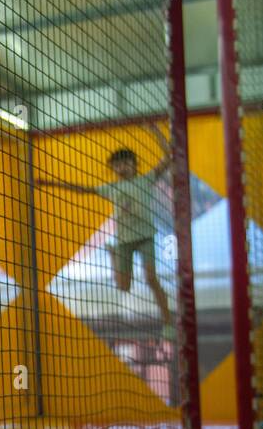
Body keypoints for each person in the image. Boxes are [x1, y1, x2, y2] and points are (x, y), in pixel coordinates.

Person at [44, 127, 174, 335]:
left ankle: (168, 322)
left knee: (150, 278)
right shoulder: (111, 188)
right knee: (123, 287)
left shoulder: (145, 180)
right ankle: (113, 254)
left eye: (126, 163)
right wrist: (52, 183)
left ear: (134, 165)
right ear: (113, 168)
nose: (122, 168)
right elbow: (82, 190)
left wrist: (154, 129)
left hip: (145, 236)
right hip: (124, 240)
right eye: (118, 165)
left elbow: (169, 157)